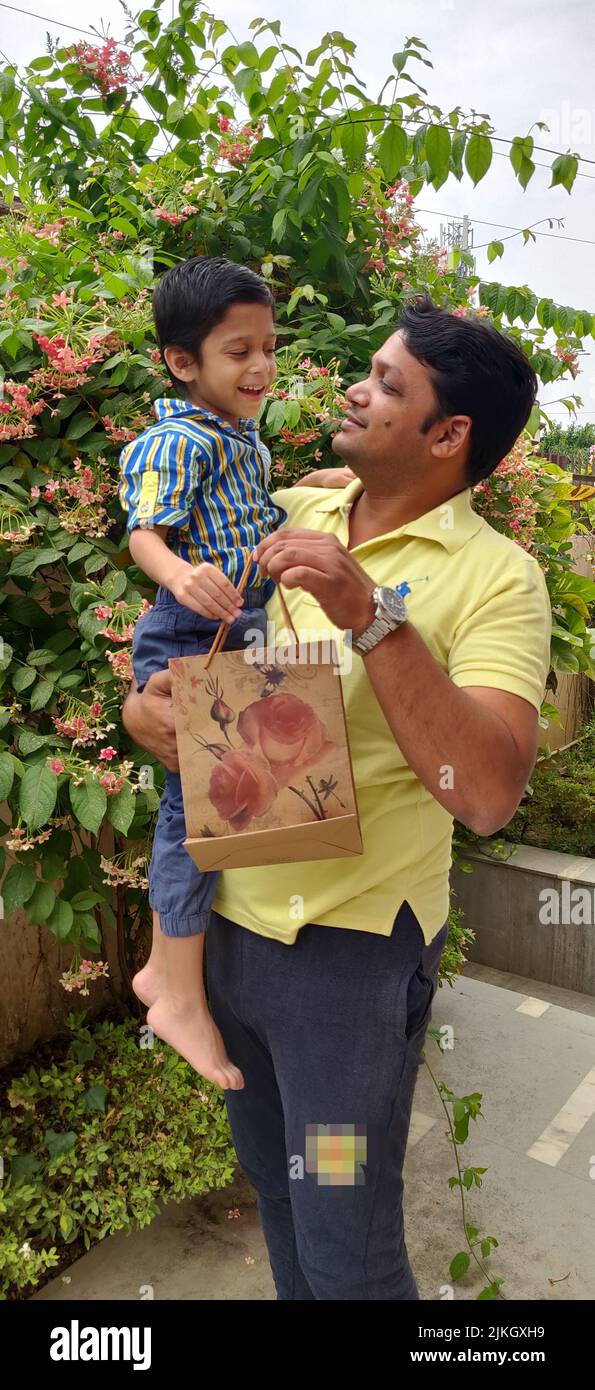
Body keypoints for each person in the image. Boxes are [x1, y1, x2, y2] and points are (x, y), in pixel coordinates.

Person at [122, 296, 552, 1299]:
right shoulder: (285, 512)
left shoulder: (498, 580)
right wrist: (153, 713)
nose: (356, 388)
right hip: (225, 942)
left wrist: (374, 615)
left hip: (345, 977)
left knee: (346, 1242)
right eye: (371, 368)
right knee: (280, 1197)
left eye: (389, 384)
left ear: (450, 437)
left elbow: (485, 792)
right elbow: (192, 670)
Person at [119, 255, 350, 1091]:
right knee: (198, 804)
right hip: (192, 626)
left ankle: (187, 974)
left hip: (235, 626)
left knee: (240, 800)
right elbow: (148, 532)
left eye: (269, 348)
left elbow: (241, 515)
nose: (261, 367)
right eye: (238, 351)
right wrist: (179, 576)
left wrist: (309, 489)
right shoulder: (174, 438)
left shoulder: (236, 436)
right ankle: (172, 986)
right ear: (184, 363)